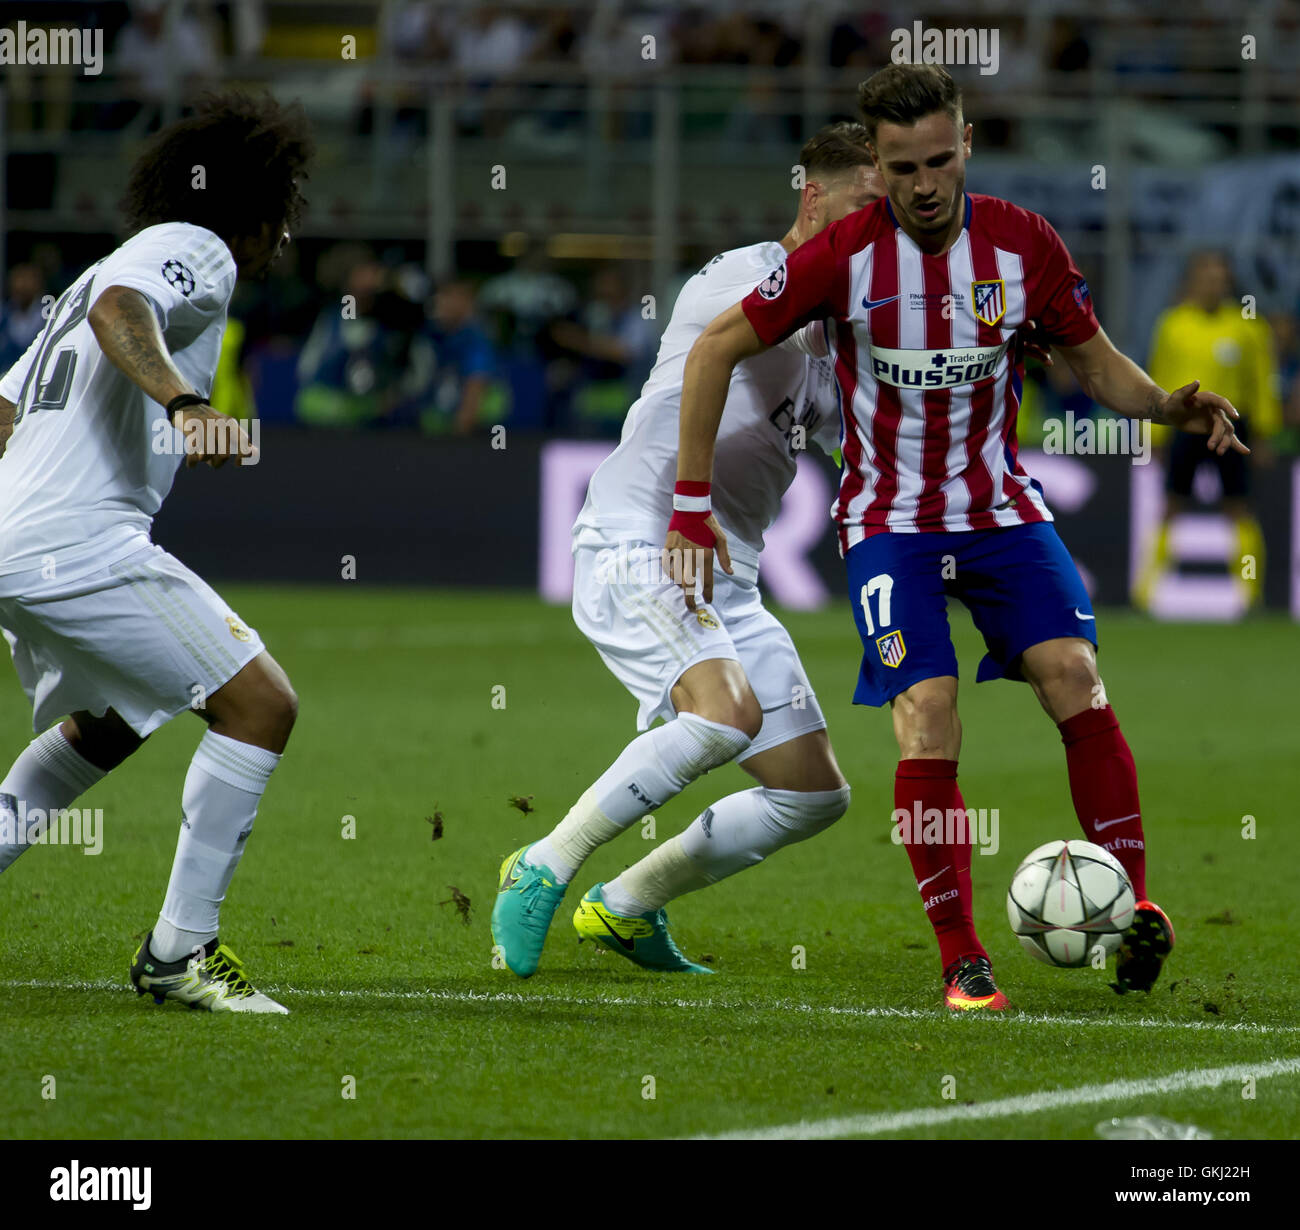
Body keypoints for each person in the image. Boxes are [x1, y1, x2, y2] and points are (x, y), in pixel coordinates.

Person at [664, 65, 1247, 1010]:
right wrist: (691, 503)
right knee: (926, 712)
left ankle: (1136, 903)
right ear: (879, 165)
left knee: (1075, 674)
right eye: (902, 167)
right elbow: (713, 346)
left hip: (999, 511)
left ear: (966, 145)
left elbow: (1097, 368)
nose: (925, 184)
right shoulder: (842, 257)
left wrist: (1165, 406)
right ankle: (961, 960)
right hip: (888, 523)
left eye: (940, 160)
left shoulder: (1024, 245)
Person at [490, 122, 881, 977]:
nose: (878, 226)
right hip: (646, 538)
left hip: (727, 573)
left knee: (813, 793)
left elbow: (852, 448)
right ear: (814, 196)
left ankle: (627, 905)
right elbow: (717, 357)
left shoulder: (838, 334)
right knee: (722, 714)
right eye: (865, 203)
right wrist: (690, 512)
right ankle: (545, 862)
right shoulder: (746, 277)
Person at [0, 91, 313, 1014]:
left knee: (109, 723)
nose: (282, 240)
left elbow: (6, 409)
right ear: (252, 209)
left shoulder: (86, 277)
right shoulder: (194, 250)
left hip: (18, 541)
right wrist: (187, 402)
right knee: (259, 704)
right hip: (76, 542)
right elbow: (123, 308)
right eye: (283, 214)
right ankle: (181, 953)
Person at [1137, 250, 1281, 610]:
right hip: (1186, 424)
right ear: (1193, 281)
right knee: (1171, 505)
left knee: (1239, 508)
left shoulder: (1248, 326)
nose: (1214, 284)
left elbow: (1261, 381)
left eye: (1220, 278)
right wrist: (1155, 435)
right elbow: (1159, 377)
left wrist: (1264, 431)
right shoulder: (1173, 324)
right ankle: (1145, 592)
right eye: (1207, 277)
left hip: (1233, 425)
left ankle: (1250, 595)